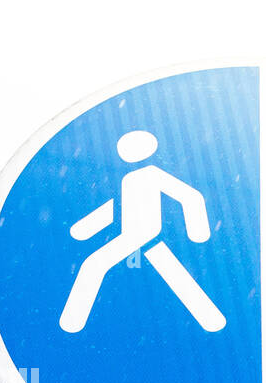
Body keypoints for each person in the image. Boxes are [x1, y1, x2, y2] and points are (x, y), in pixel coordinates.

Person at [60, 130, 224, 334]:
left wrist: (198, 230)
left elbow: (189, 196)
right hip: (136, 235)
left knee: (93, 264)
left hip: (143, 234)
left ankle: (72, 323)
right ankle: (213, 321)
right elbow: (115, 208)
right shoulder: (129, 179)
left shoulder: (153, 174)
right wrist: (85, 228)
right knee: (175, 275)